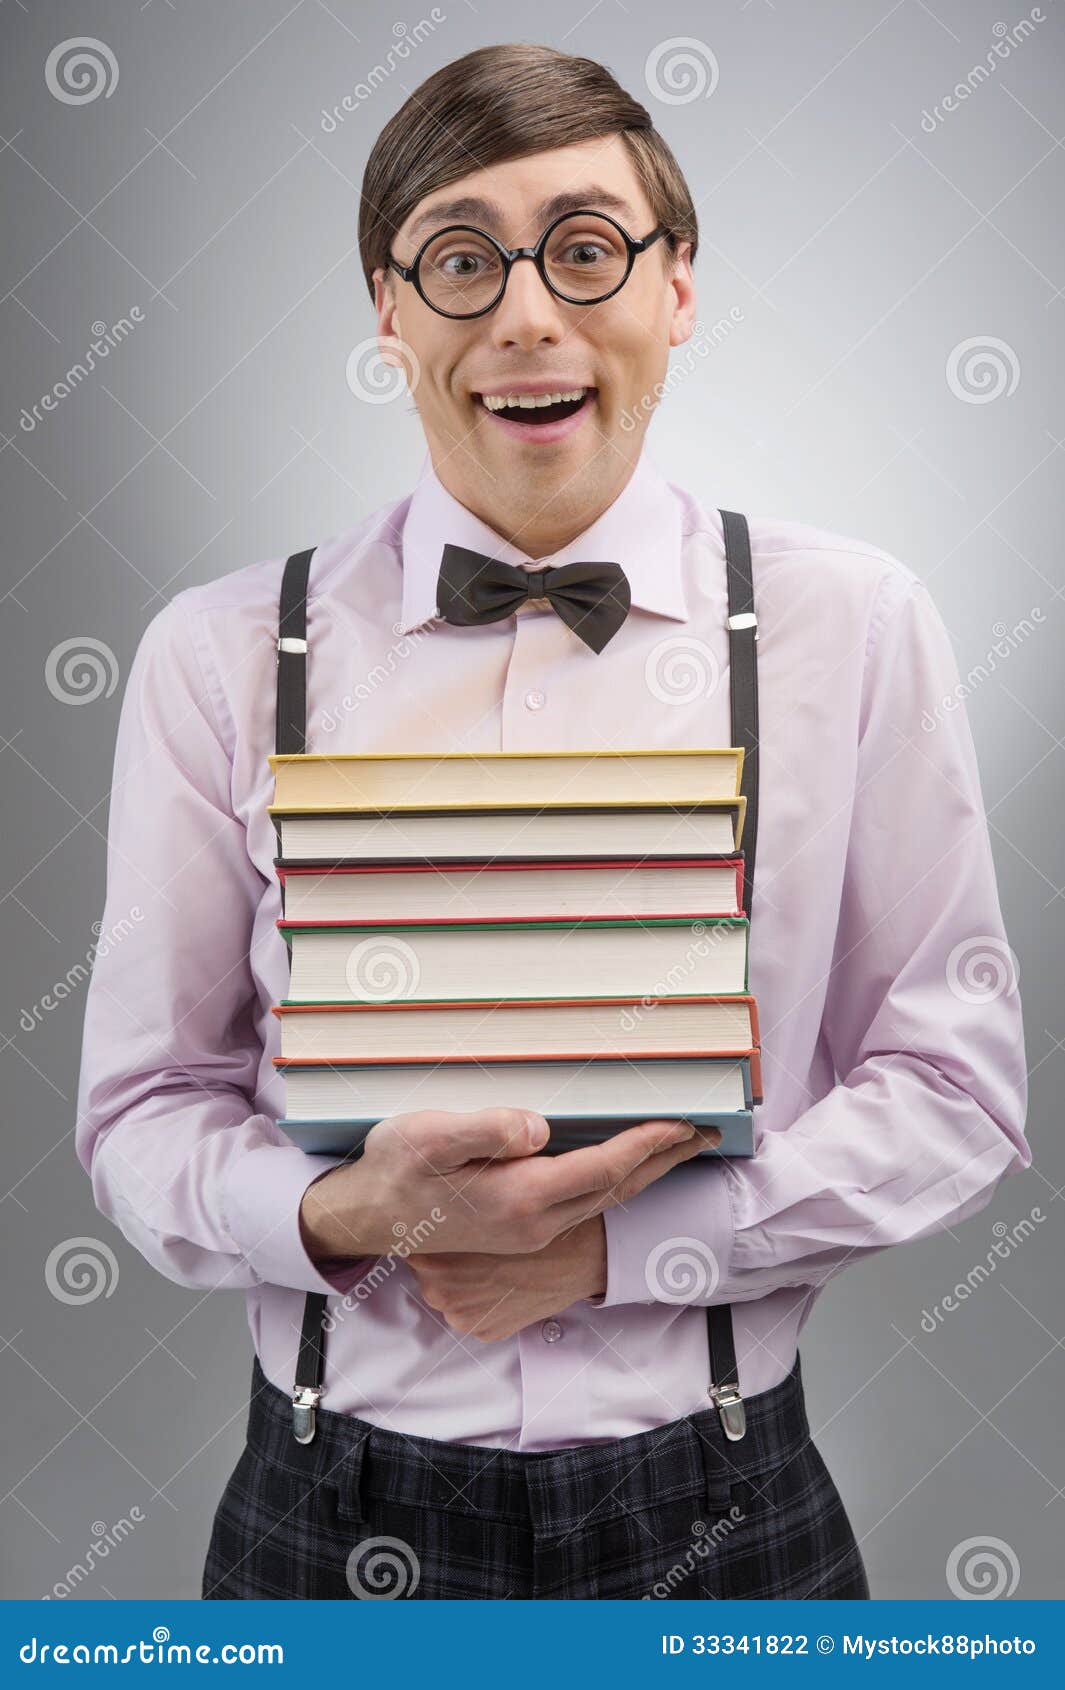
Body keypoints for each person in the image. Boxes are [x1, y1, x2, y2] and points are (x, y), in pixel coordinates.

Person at [75, 43, 1030, 1601]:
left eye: (584, 249)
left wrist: (617, 1251)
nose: (525, 313)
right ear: (387, 311)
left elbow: (954, 1090)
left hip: (724, 1505)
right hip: (331, 1508)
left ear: (677, 285)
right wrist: (346, 1210)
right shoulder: (220, 652)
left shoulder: (854, 624)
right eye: (461, 261)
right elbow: (140, 1108)